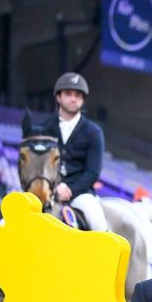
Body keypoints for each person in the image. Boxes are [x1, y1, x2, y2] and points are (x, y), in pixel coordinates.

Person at [51, 72, 108, 231]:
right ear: (58, 97)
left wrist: (69, 190)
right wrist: (55, 187)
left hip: (80, 194)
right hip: (47, 190)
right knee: (6, 220)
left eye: (78, 95)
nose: (73, 99)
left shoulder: (93, 132)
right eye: (68, 94)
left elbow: (93, 171)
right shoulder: (45, 128)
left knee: (98, 223)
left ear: (83, 100)